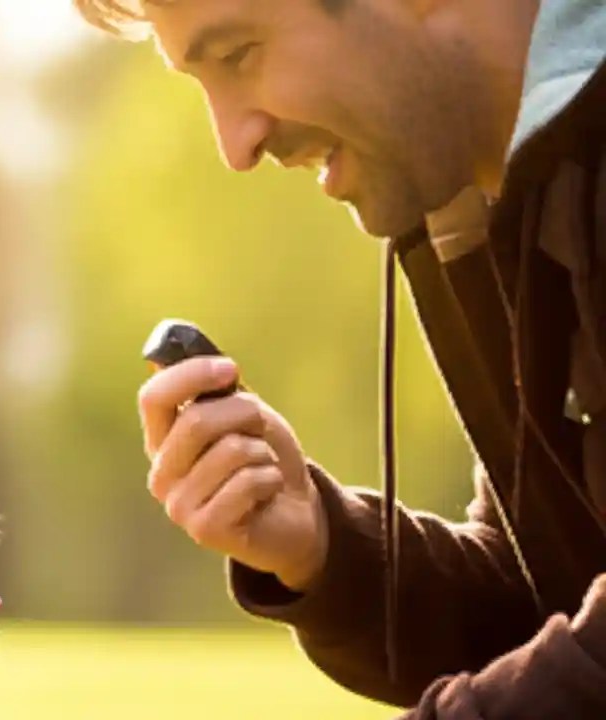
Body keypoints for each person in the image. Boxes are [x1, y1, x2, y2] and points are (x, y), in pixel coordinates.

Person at [72, 0, 606, 716]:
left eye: (238, 55)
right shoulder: (487, 206)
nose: (236, 145)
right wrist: (327, 548)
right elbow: (553, 599)